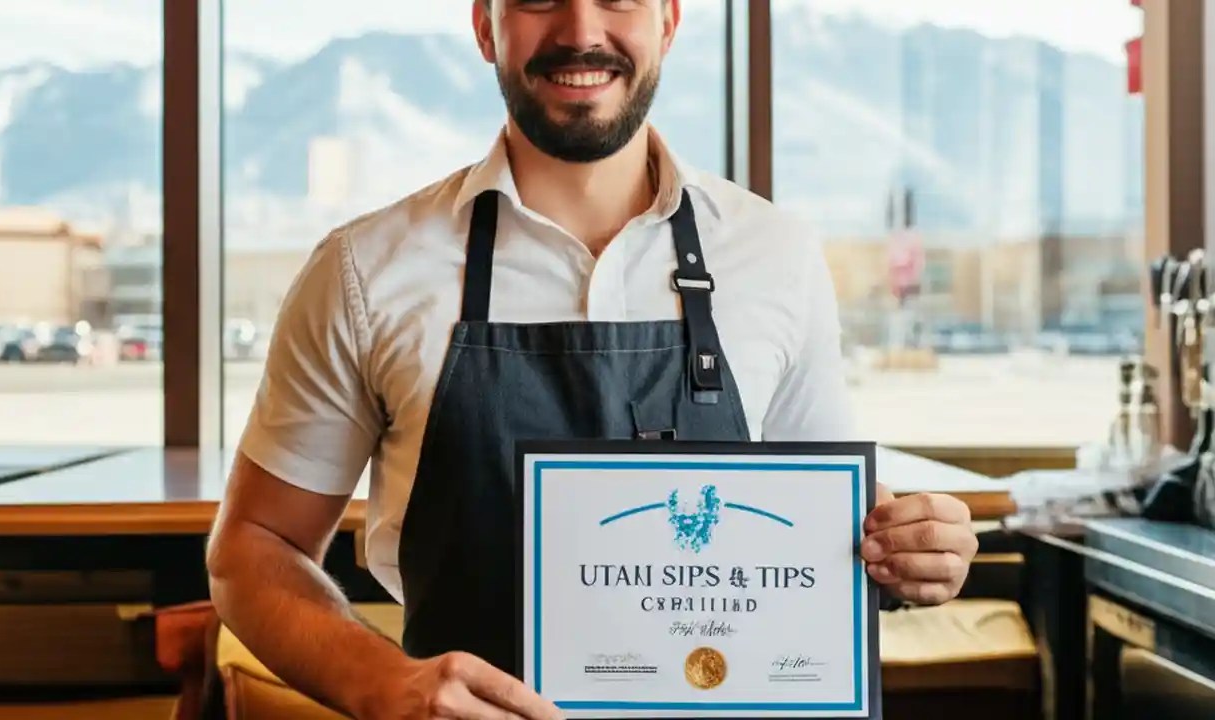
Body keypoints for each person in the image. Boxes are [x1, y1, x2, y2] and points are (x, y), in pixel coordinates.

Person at [205, 1, 980, 718]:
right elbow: (252, 549)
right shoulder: (365, 271)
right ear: (486, 26)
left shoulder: (774, 255)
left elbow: (822, 539)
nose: (581, 30)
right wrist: (383, 684)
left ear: (668, 21)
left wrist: (908, 555)